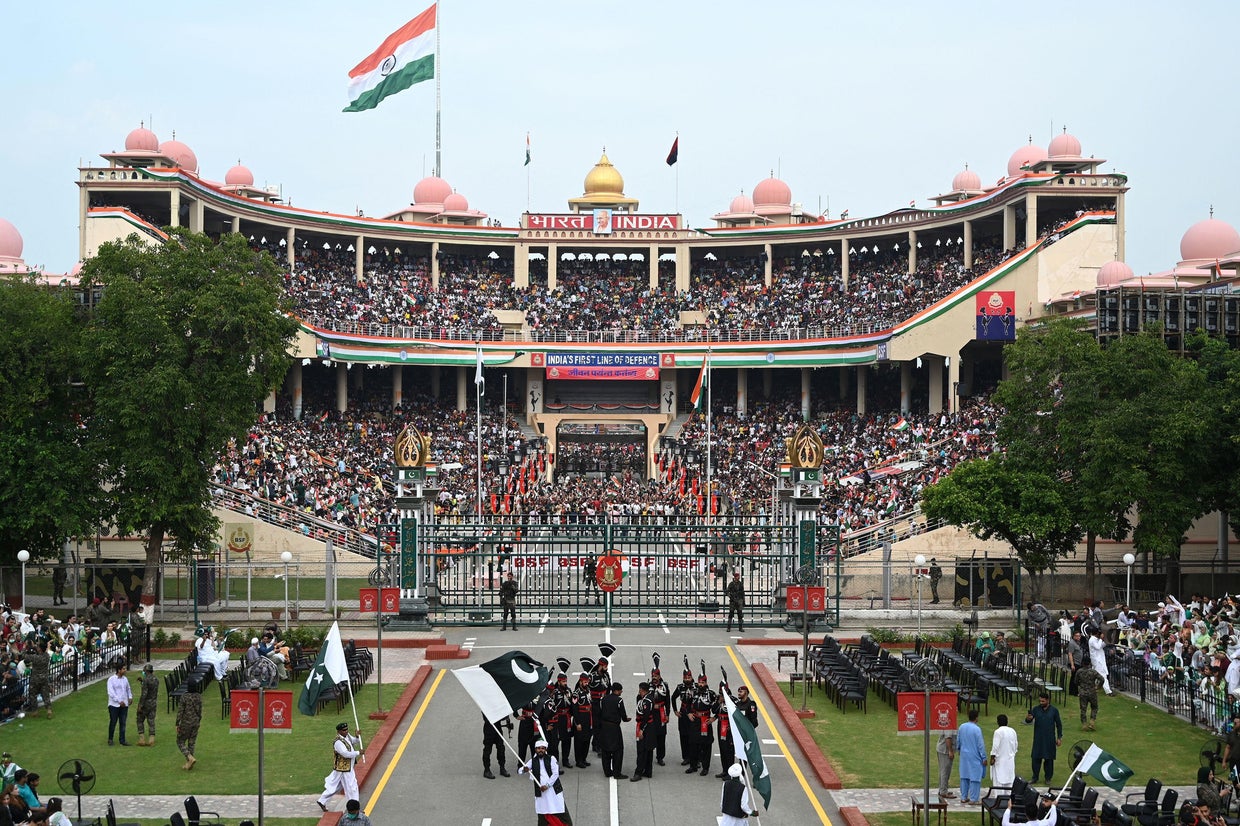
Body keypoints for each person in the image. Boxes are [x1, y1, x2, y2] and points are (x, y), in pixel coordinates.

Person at [518, 740, 573, 825]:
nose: (541, 750)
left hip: (554, 791)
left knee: (561, 811)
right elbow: (520, 771)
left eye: (543, 748)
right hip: (541, 793)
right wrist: (524, 769)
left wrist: (547, 785)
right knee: (542, 814)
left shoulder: (551, 758)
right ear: (535, 749)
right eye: (539, 748)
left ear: (545, 749)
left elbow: (555, 774)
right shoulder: (532, 761)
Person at [317, 721, 363, 812]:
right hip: (344, 769)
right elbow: (345, 754)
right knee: (352, 787)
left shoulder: (347, 736)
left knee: (336, 786)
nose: (346, 731)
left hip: (346, 767)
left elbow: (354, 741)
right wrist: (358, 753)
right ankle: (355, 807)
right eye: (344, 730)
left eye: (346, 729)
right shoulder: (338, 742)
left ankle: (322, 800)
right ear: (338, 731)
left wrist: (357, 736)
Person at [1025, 693, 1063, 783]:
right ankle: (1035, 777)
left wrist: (1059, 737)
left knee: (1049, 759)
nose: (1041, 702)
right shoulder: (1036, 709)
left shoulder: (1054, 711)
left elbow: (1059, 724)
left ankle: (1048, 778)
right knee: (1035, 758)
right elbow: (1028, 720)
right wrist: (1028, 718)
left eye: (1043, 701)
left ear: (1048, 700)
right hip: (1038, 739)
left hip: (1049, 739)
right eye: (1040, 701)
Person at [597, 682, 629, 780]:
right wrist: (625, 719)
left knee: (605, 749)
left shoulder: (603, 699)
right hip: (614, 727)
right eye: (620, 690)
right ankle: (617, 772)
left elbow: (599, 712)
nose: (621, 692)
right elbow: (623, 713)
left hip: (604, 727)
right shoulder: (619, 700)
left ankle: (607, 771)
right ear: (616, 690)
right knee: (618, 750)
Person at [958, 708, 987, 804]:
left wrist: (959, 750)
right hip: (974, 756)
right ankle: (973, 798)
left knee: (964, 776)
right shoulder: (977, 729)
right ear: (976, 718)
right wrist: (984, 757)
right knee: (975, 777)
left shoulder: (962, 727)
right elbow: (980, 745)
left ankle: (963, 796)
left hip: (964, 755)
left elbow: (958, 741)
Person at [176, 681, 203, 769]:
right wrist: (199, 720)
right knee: (191, 742)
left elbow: (180, 711)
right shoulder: (199, 696)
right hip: (196, 722)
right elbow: (200, 710)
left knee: (180, 741)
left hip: (186, 723)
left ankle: (189, 757)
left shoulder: (184, 697)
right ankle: (189, 764)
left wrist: (177, 723)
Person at [631, 682, 655, 781]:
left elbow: (645, 716)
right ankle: (648, 771)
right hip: (650, 726)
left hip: (646, 726)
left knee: (642, 750)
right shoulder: (647, 697)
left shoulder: (646, 701)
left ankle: (638, 772)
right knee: (648, 750)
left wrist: (641, 729)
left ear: (642, 689)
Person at [24, 639, 52, 719]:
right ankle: (49, 710)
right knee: (45, 695)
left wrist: (25, 647)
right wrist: (34, 646)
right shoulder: (47, 656)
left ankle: (35, 711)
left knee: (33, 695)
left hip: (35, 679)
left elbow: (24, 656)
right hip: (44, 678)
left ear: (39, 649)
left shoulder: (35, 657)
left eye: (38, 646)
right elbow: (43, 650)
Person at [106, 660, 132, 746]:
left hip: (124, 704)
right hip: (114, 705)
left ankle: (122, 740)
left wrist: (130, 697)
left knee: (123, 722)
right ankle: (110, 739)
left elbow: (128, 689)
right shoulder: (111, 679)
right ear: (119, 670)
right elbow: (111, 692)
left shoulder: (125, 679)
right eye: (124, 669)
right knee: (113, 722)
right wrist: (119, 701)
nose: (125, 670)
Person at [990, 714, 1018, 788]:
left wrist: (992, 758)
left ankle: (999, 798)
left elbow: (995, 747)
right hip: (1010, 760)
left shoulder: (998, 732)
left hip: (1000, 761)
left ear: (998, 722)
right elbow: (1015, 746)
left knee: (999, 782)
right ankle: (1008, 799)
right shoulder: (1013, 731)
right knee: (1010, 782)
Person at [135, 662, 159, 746]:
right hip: (153, 702)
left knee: (139, 719)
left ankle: (142, 739)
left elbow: (144, 693)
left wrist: (140, 706)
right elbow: (151, 687)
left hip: (146, 703)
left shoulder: (146, 680)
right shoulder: (156, 679)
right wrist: (142, 681)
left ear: (146, 671)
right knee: (151, 720)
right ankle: (151, 739)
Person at [1075, 663, 1105, 731]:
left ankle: (1084, 724)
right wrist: (1098, 687)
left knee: (1083, 709)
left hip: (1083, 692)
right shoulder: (1093, 672)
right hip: (1092, 692)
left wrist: (1081, 685)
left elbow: (1076, 681)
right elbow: (1102, 679)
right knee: (1094, 707)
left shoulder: (1079, 671)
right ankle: (1092, 721)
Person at [482, 712, 512, 780]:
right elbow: (486, 718)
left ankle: (502, 768)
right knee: (487, 749)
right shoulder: (484, 704)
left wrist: (505, 716)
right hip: (489, 728)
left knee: (501, 748)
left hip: (498, 728)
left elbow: (502, 715)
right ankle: (486, 770)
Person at [1087, 626, 1114, 695]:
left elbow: (1101, 646)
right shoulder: (1092, 640)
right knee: (1103, 676)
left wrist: (1105, 641)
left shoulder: (1096, 639)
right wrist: (1101, 639)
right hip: (1097, 661)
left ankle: (1091, 687)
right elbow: (1098, 646)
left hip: (1099, 660)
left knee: (1095, 676)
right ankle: (1108, 691)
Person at [936, 730, 957, 800]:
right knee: (945, 771)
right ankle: (943, 792)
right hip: (945, 751)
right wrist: (950, 751)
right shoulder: (949, 725)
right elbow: (948, 738)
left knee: (943, 771)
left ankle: (942, 789)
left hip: (943, 750)